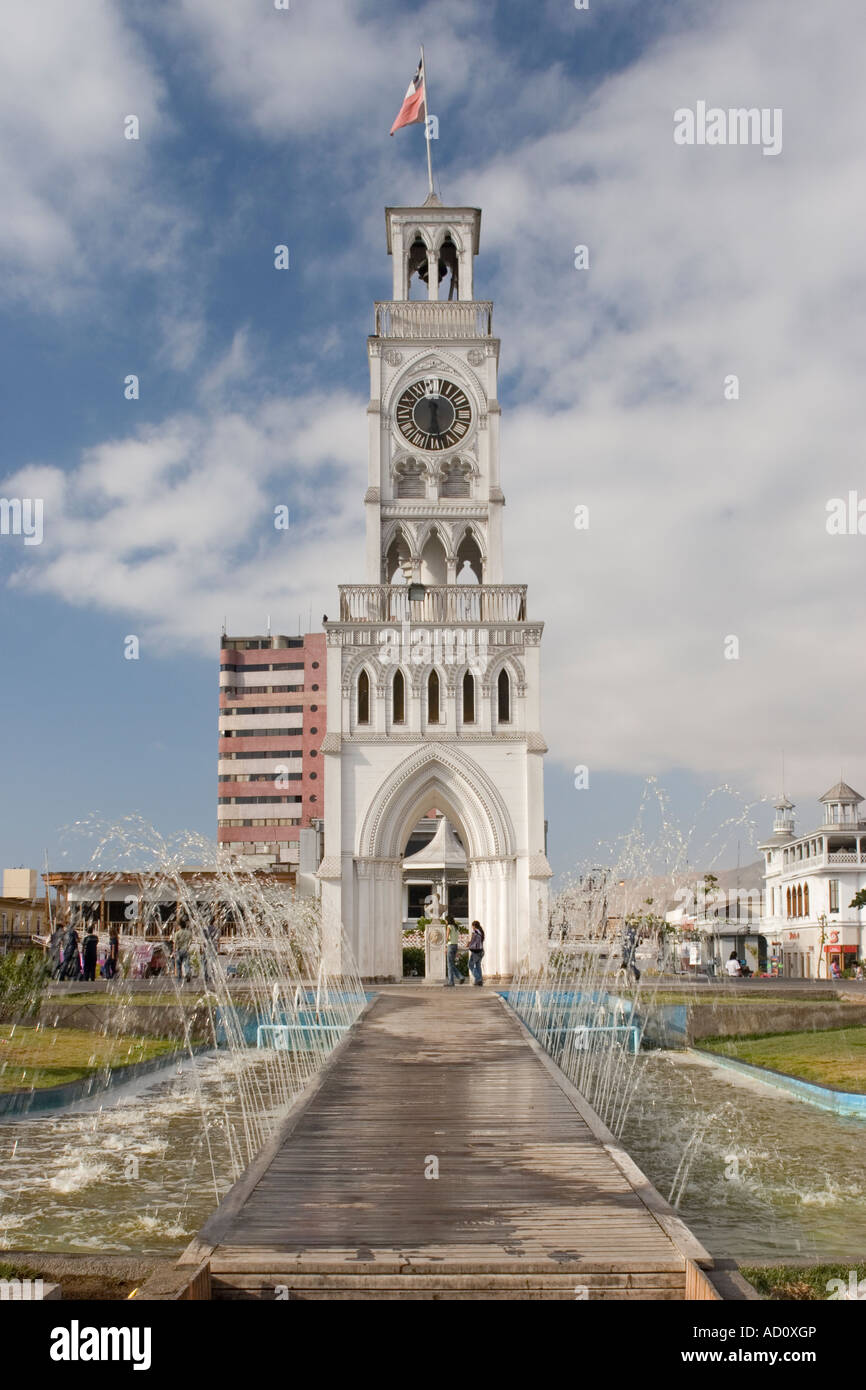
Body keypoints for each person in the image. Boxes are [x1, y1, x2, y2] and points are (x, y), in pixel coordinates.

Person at [444, 916, 463, 986]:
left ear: (448, 920)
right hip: (455, 946)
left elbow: (447, 937)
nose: (445, 922)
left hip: (450, 945)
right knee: (451, 964)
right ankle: (460, 976)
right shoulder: (456, 927)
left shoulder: (449, 926)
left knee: (449, 965)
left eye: (445, 920)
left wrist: (445, 946)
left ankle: (451, 982)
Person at [467, 920, 485, 986]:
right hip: (481, 951)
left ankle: (478, 979)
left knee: (470, 965)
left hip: (476, 952)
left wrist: (468, 944)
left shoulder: (474, 932)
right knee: (478, 966)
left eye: (472, 926)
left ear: (474, 926)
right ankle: (480, 981)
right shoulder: (481, 932)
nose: (472, 927)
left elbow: (472, 941)